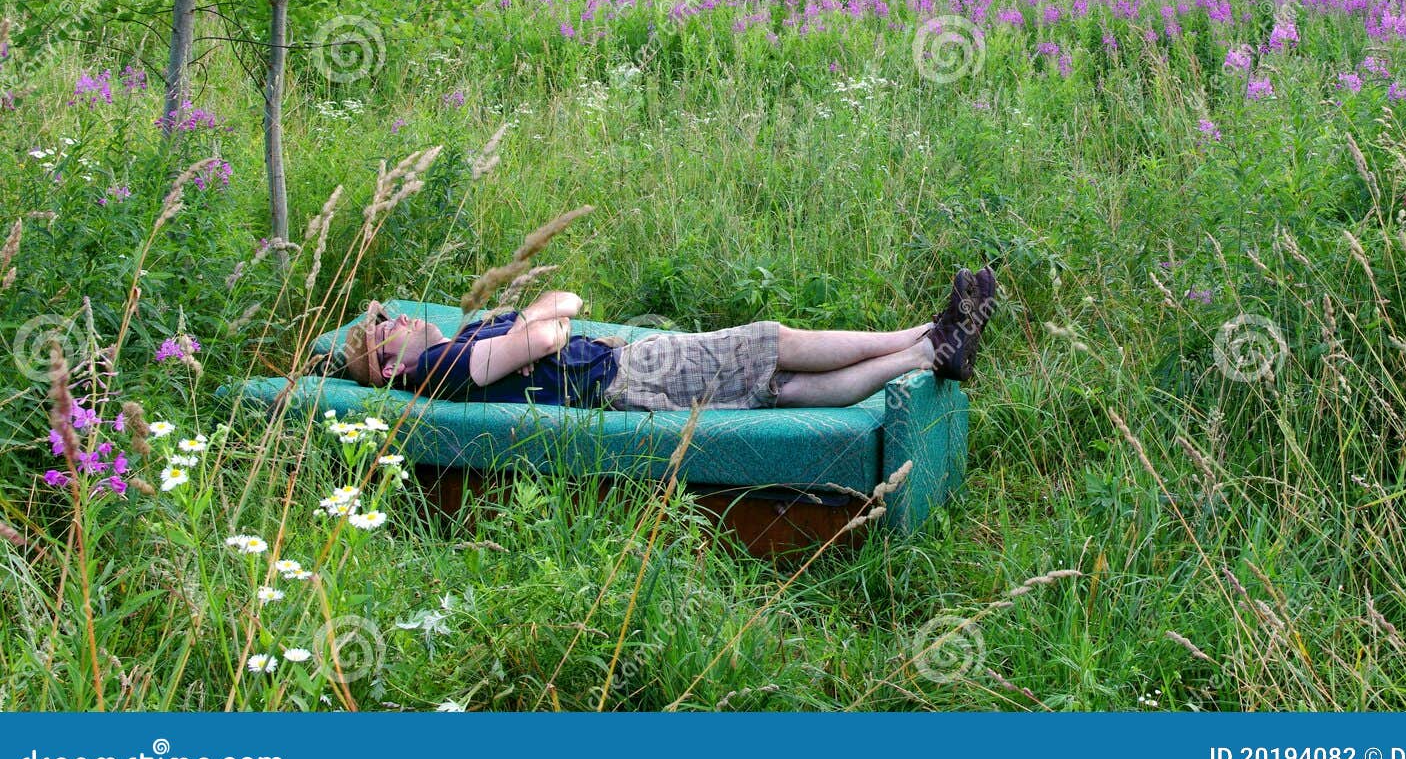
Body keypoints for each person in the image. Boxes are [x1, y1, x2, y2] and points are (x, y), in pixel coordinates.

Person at [339, 267, 995, 411]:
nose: (398, 320)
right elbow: (547, 334)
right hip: (623, 377)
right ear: (392, 367)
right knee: (768, 342)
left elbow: (564, 306)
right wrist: (532, 319)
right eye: (385, 330)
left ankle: (928, 348)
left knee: (784, 387)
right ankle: (927, 337)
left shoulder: (450, 349)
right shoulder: (443, 364)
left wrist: (538, 317)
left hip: (622, 378)